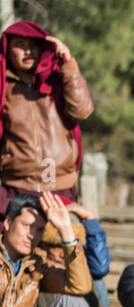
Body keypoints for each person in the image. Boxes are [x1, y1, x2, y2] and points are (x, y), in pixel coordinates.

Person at [0, 21, 93, 207]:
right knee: (17, 236)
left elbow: (82, 111)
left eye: (33, 45)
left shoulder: (59, 79)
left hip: (59, 184)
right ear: (7, 50)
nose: (28, 51)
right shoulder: (3, 86)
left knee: (61, 236)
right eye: (20, 45)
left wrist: (69, 64)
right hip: (16, 187)